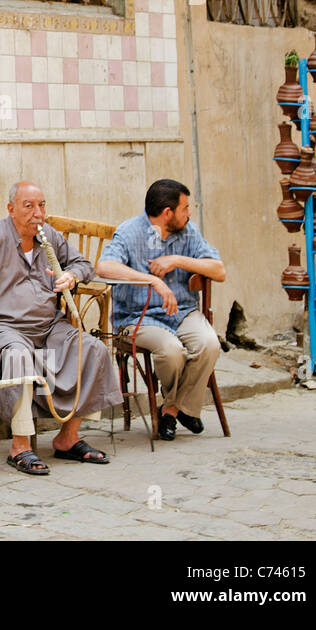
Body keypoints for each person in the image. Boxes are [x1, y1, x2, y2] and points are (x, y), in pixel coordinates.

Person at [0, 181, 122, 476]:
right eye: (29, 206)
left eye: (42, 205)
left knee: (93, 348)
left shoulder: (48, 237)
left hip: (48, 327)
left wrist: (71, 276)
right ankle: (20, 445)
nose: (38, 213)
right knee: (18, 354)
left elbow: (84, 264)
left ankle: (67, 438)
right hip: (2, 328)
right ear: (11, 210)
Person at [96, 179, 226, 441]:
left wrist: (177, 260)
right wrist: (152, 280)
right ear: (168, 212)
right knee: (171, 351)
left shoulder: (189, 232)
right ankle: (184, 408)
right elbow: (104, 267)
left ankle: (171, 409)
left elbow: (219, 271)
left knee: (210, 343)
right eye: (185, 208)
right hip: (138, 318)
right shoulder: (130, 231)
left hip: (184, 312)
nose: (189, 213)